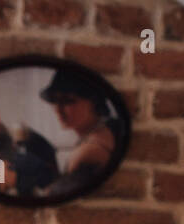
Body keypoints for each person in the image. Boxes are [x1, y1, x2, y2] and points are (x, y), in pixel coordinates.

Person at [36, 69, 123, 197]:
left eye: (68, 100)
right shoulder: (102, 131)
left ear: (93, 102)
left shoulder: (91, 149)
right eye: (55, 101)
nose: (57, 109)